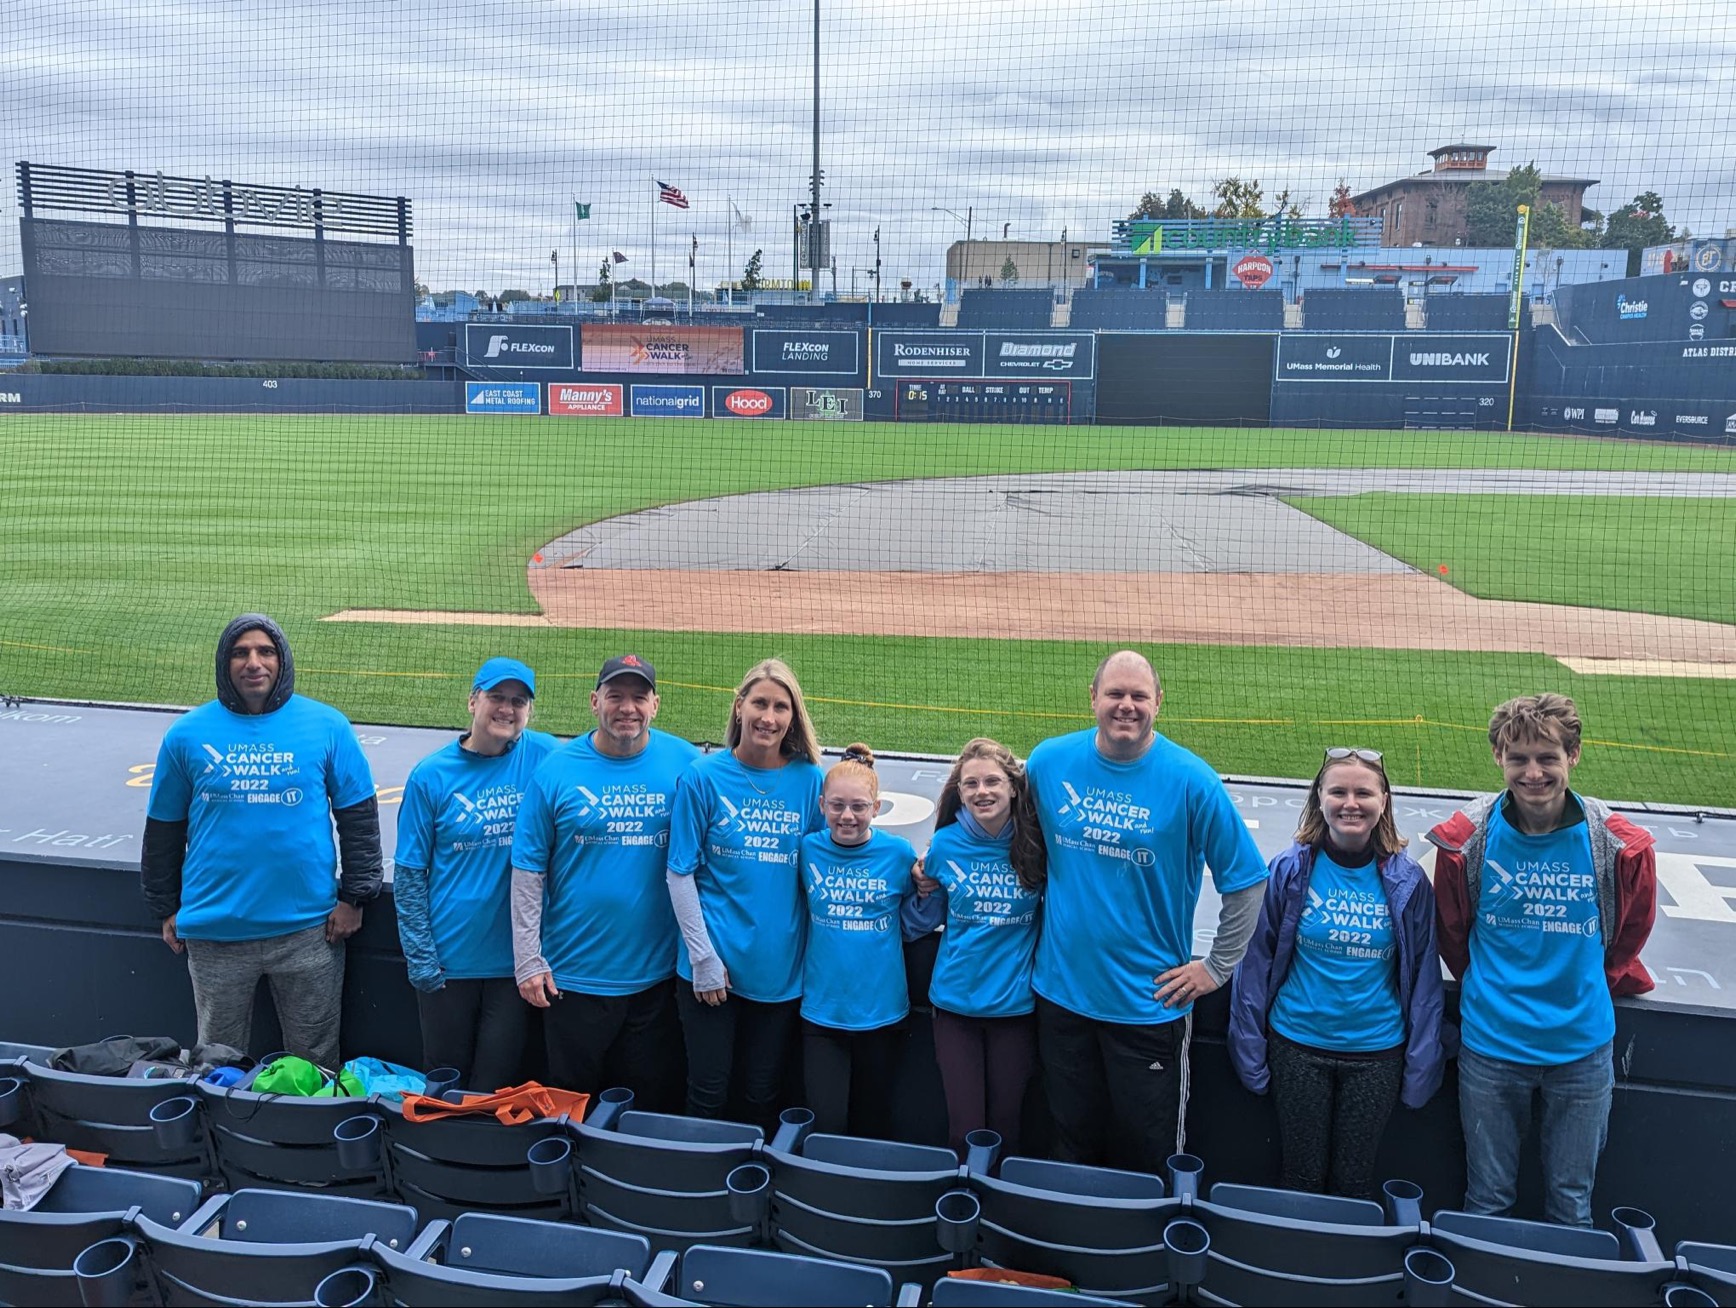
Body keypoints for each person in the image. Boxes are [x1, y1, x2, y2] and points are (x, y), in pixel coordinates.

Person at [1026, 649, 1268, 1174]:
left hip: (1147, 1008)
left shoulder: (1191, 780)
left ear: (1159, 702)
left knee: (1150, 1158)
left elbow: (1247, 883)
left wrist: (1215, 967)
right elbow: (1010, 837)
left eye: (1139, 695)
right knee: (1069, 1147)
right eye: (1115, 693)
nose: (1126, 706)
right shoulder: (1047, 763)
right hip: (1061, 998)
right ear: (1092, 699)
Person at [1429, 694, 1657, 1228]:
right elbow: (1454, 934)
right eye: (1519, 759)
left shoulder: (1617, 844)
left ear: (1573, 756)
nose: (1533, 773)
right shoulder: (1465, 842)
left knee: (1571, 1205)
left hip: (1581, 1051)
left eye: (1547, 757)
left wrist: (1583, 985)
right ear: (1498, 758)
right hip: (1490, 1047)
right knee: (1486, 1201)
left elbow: (1629, 936)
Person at [141, 614, 382, 1070]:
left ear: (282, 660)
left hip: (309, 930)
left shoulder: (327, 726)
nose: (254, 663)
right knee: (216, 1064)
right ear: (224, 662)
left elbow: (358, 819)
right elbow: (163, 829)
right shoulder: (186, 734)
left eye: (265, 651)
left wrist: (355, 896)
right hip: (215, 933)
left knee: (315, 1063)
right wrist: (164, 905)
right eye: (240, 652)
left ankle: (311, 1141)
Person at [1228, 748, 1444, 1199]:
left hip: (1377, 1056)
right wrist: (1248, 1049)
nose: (1351, 803)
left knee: (1353, 1183)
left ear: (1384, 800)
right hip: (1297, 1046)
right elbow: (1255, 963)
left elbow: (1425, 980)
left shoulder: (1410, 882)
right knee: (1299, 1178)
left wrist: (1422, 1064)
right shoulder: (1289, 870)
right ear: (1319, 798)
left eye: (1363, 792)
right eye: (1338, 791)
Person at [510, 654, 699, 1106]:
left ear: (656, 704)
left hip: (655, 982)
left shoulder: (686, 762)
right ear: (595, 701)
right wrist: (527, 958)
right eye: (615, 696)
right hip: (572, 980)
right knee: (571, 1110)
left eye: (639, 697)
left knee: (647, 1110)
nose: (627, 708)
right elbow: (528, 870)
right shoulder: (556, 770)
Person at [666, 659, 825, 1127]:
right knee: (707, 1093)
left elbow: (826, 865)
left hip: (778, 972)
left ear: (793, 716)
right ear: (739, 707)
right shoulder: (703, 776)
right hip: (712, 969)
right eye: (759, 703)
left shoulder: (809, 780)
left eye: (781, 706)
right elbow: (680, 874)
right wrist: (703, 959)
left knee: (761, 1095)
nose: (768, 717)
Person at [394, 657, 558, 1091]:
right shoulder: (431, 776)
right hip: (449, 964)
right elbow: (409, 876)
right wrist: (422, 961)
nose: (507, 709)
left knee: (496, 1086)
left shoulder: (546, 756)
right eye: (497, 698)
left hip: (514, 966)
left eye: (518, 701)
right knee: (444, 1083)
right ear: (473, 701)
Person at [908, 738, 1046, 1160]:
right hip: (955, 1008)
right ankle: (964, 1220)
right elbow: (920, 922)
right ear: (960, 792)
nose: (981, 792)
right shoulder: (945, 845)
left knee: (1008, 1131)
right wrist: (916, 884)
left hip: (1015, 1011)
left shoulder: (1038, 845)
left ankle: (1001, 1218)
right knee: (963, 1131)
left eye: (992, 781)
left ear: (1014, 787)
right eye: (971, 784)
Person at [798, 744, 926, 1138]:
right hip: (822, 1011)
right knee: (826, 1123)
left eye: (858, 806)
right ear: (821, 805)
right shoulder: (808, 850)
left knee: (873, 1123)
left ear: (877, 807)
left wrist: (930, 885)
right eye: (836, 806)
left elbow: (919, 910)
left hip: (882, 1012)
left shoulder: (899, 854)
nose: (847, 816)